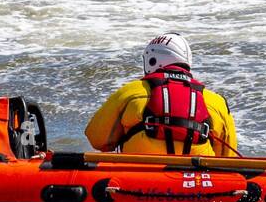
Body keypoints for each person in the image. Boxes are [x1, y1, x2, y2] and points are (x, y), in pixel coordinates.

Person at [85, 33, 239, 157]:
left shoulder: (130, 91)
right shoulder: (215, 101)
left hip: (138, 177)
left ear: (152, 60)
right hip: (199, 182)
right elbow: (228, 156)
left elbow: (97, 139)